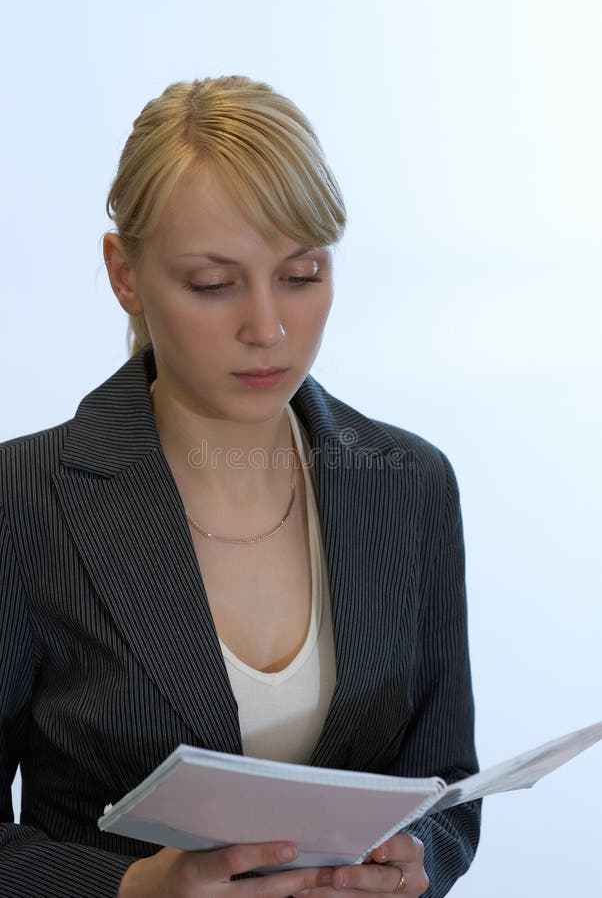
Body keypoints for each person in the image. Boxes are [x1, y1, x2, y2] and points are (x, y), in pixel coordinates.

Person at [0, 76, 480, 897]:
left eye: (301, 275)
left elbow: (444, 789)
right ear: (124, 274)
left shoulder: (411, 486)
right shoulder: (23, 501)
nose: (269, 328)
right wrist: (129, 892)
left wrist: (416, 863)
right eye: (214, 284)